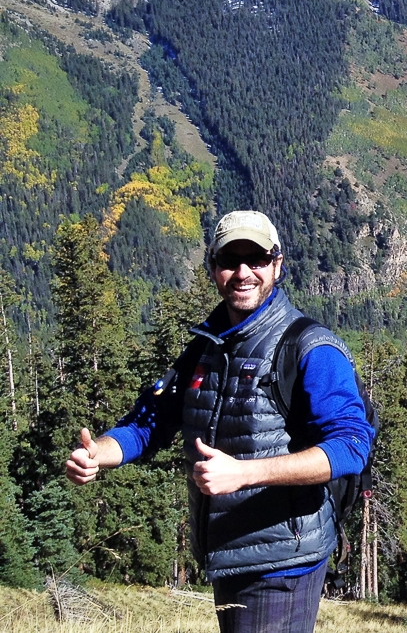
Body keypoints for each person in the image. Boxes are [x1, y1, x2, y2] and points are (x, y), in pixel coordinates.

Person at [65, 210, 375, 633]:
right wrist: (99, 453)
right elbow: (151, 422)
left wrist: (244, 474)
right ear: (213, 267)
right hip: (230, 553)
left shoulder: (310, 347)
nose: (244, 273)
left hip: (283, 562)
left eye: (258, 260)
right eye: (231, 260)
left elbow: (352, 446)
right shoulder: (207, 348)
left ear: (277, 265)